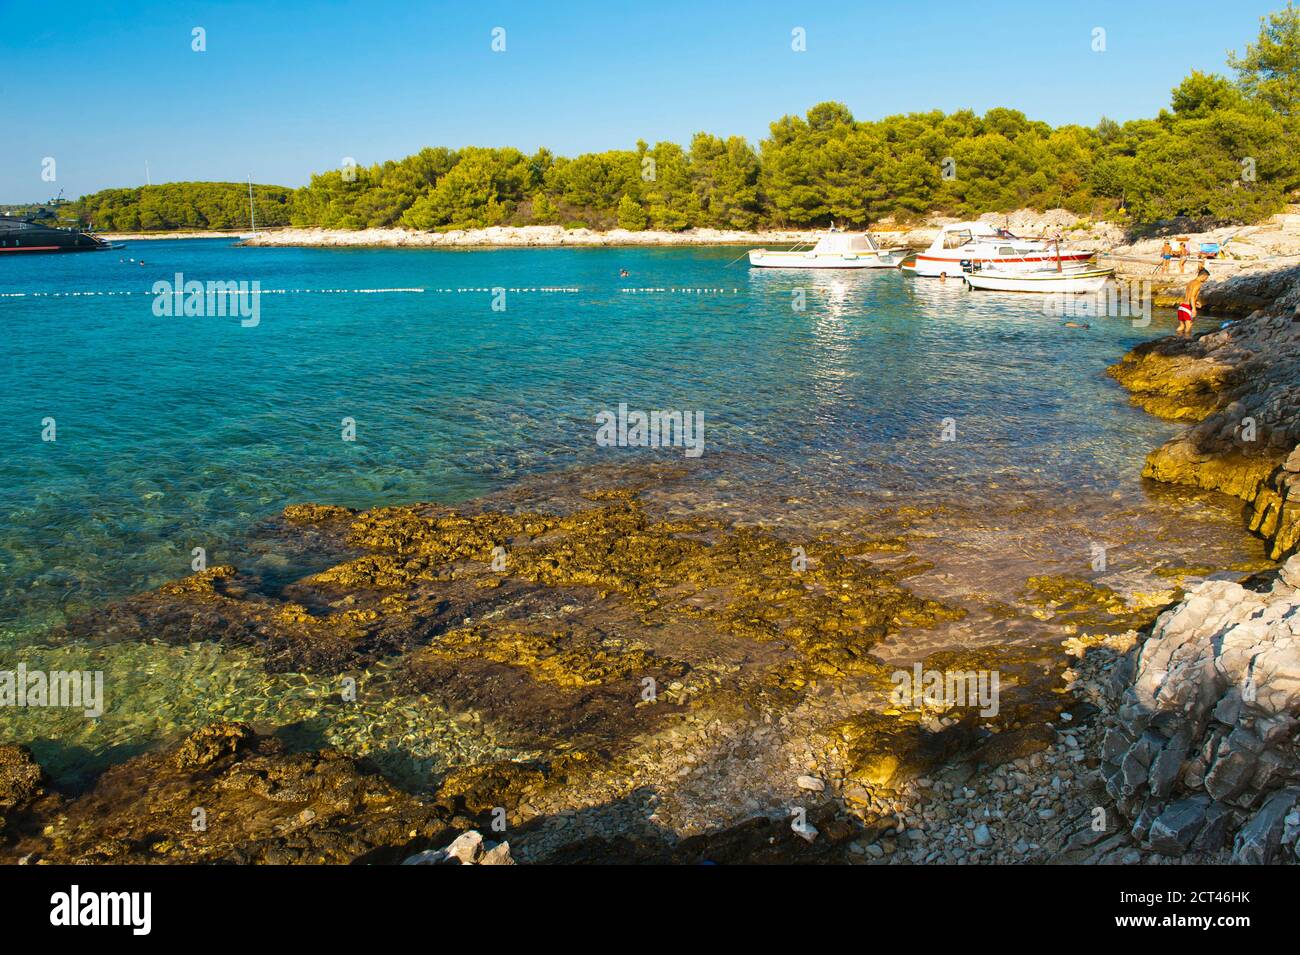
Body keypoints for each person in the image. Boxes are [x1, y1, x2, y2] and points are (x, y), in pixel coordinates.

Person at [1177, 266, 1210, 337]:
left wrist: (1196, 302)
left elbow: (1189, 295)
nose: (1206, 280)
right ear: (1203, 276)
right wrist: (1194, 309)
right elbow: (1192, 296)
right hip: (1187, 307)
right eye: (1206, 278)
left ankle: (1176, 339)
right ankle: (1186, 342)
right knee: (1188, 328)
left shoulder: (1191, 282)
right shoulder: (1198, 284)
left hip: (1182, 306)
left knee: (1181, 326)